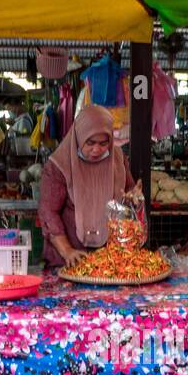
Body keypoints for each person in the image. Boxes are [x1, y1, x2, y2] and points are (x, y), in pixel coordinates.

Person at [38, 104, 136, 268]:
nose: (97, 149)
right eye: (90, 142)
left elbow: (128, 190)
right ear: (79, 137)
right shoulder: (59, 165)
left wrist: (134, 195)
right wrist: (67, 250)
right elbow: (48, 212)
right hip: (68, 261)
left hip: (108, 259)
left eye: (104, 143)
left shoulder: (117, 158)